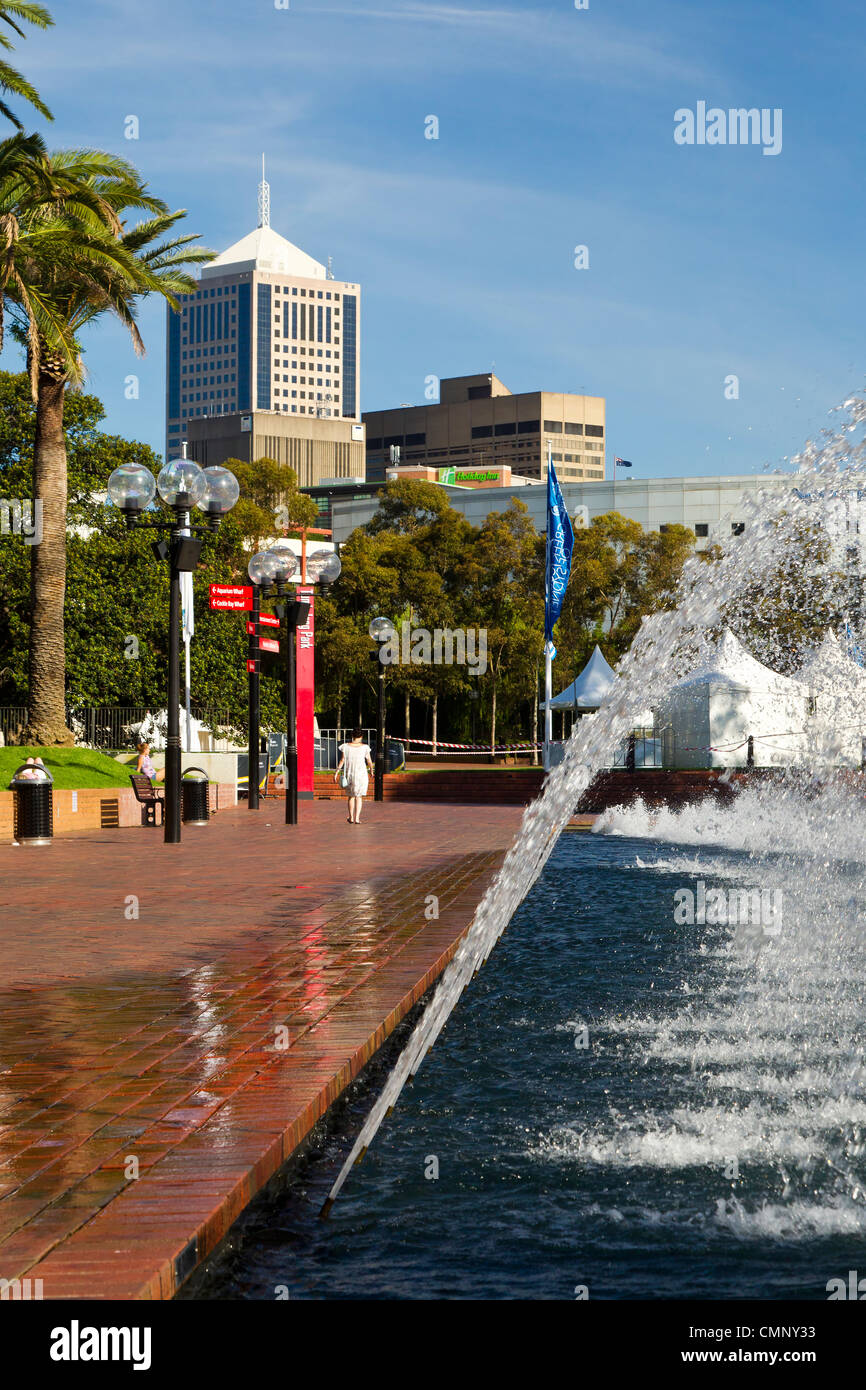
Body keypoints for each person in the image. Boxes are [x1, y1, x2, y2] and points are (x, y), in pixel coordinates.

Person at [334, 727, 374, 824]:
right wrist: (371, 770)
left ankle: (351, 817)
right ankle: (357, 818)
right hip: (361, 774)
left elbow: (342, 760)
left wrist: (336, 772)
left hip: (350, 774)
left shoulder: (345, 747)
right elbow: (369, 760)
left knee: (351, 796)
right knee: (359, 796)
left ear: (352, 736)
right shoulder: (365, 747)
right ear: (361, 736)